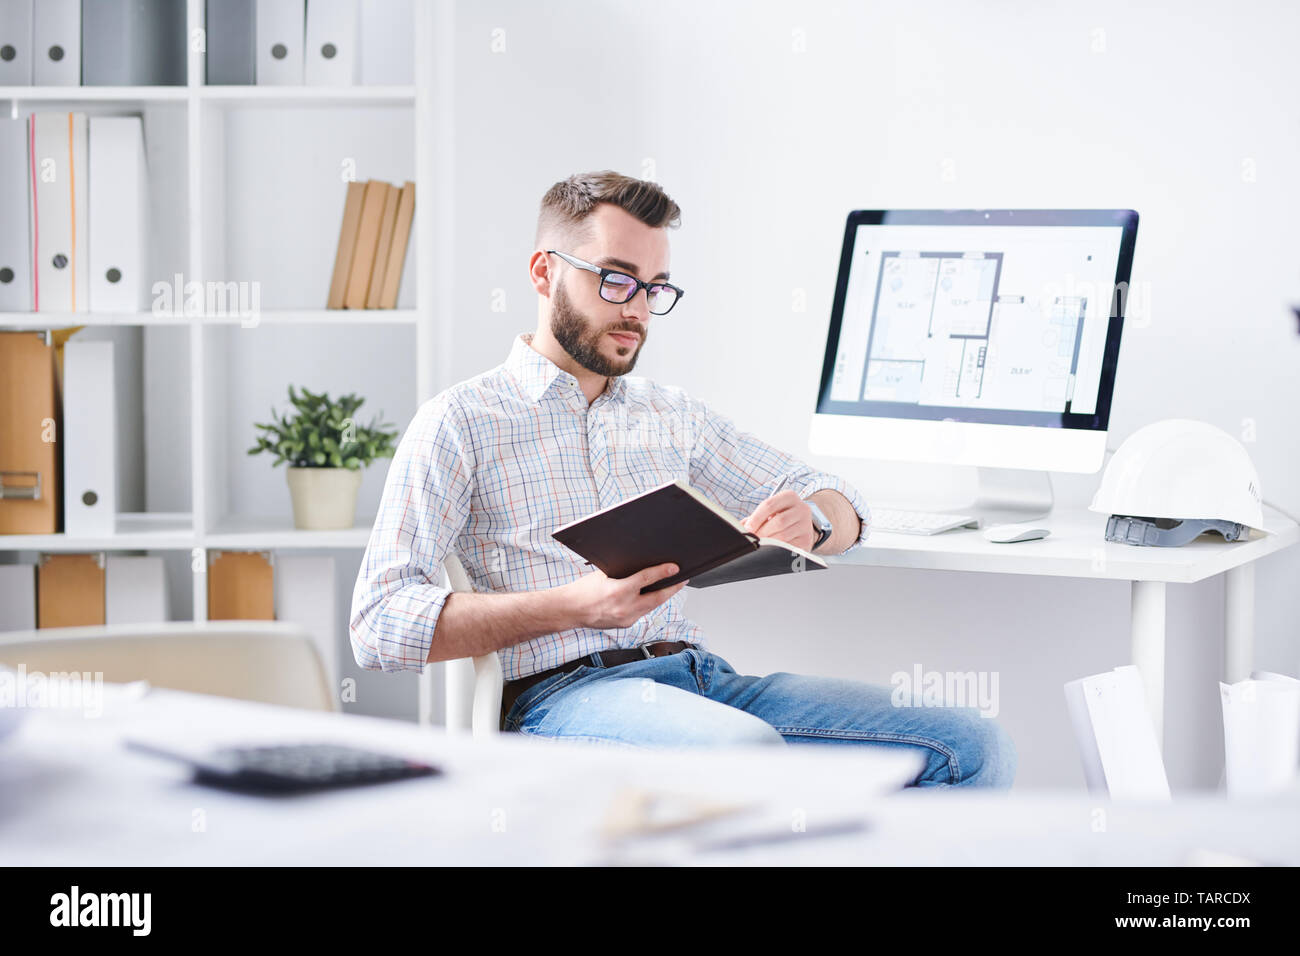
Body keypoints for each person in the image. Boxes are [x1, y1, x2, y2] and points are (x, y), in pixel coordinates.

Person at [350, 170, 1015, 788]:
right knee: (742, 757)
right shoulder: (459, 421)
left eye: (654, 286)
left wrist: (815, 519)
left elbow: (838, 497)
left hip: (700, 681)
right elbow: (378, 622)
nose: (637, 308)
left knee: (969, 744)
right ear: (543, 273)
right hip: (560, 701)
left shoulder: (671, 414)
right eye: (615, 279)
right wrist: (573, 606)